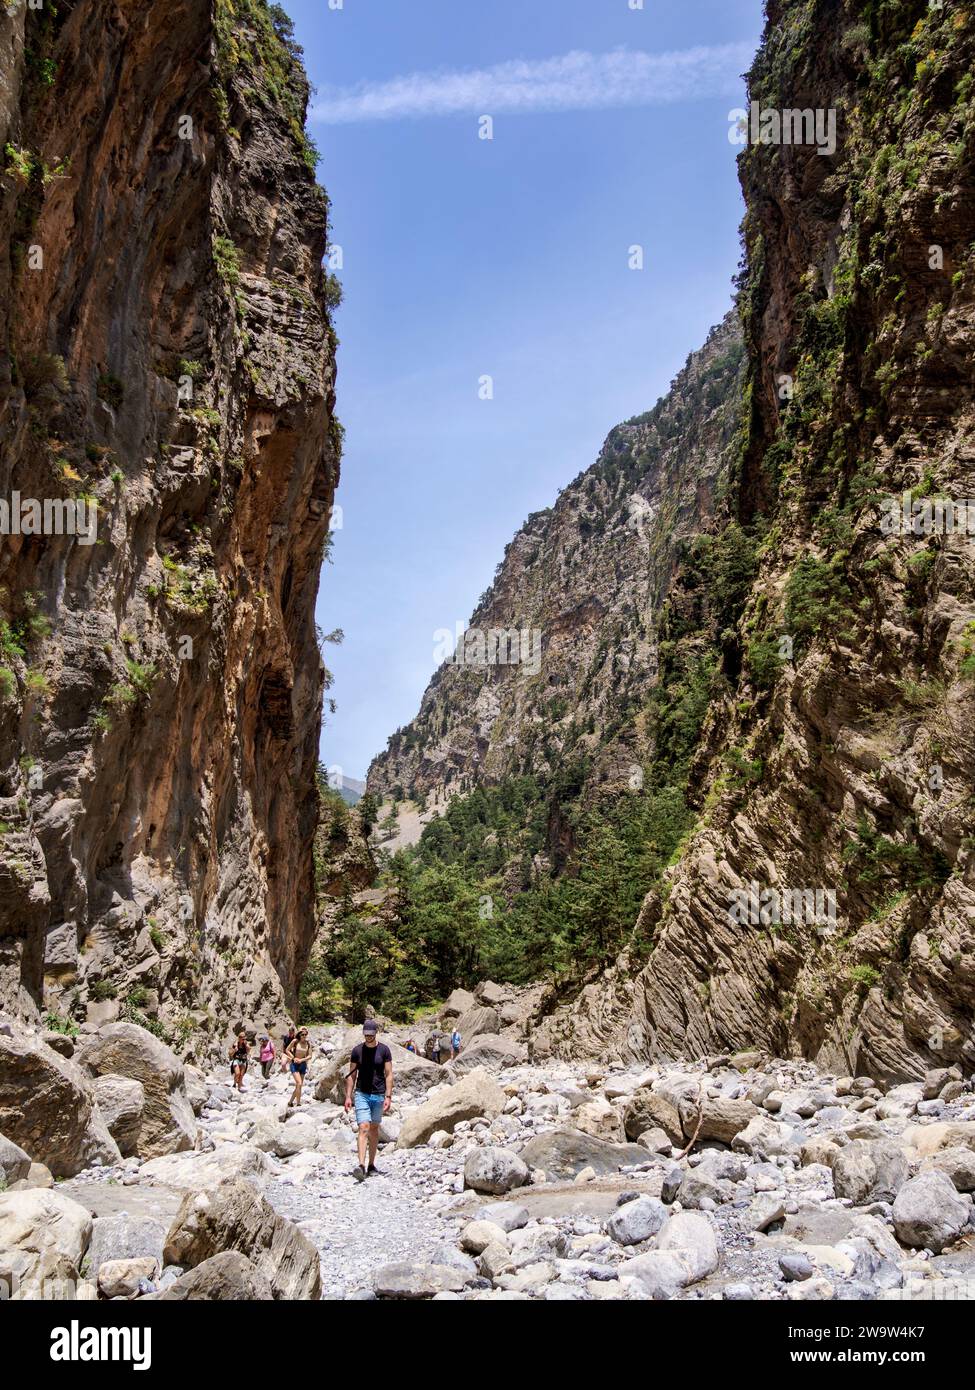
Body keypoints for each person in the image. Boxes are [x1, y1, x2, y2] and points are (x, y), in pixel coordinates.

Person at [344, 1019, 393, 1182]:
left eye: (371, 1035)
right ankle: (361, 1165)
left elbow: (389, 1074)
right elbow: (352, 1075)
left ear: (375, 1033)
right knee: (363, 1127)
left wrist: (388, 1096)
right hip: (362, 1094)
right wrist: (348, 1096)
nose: (368, 1037)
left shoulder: (384, 1050)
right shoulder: (357, 1051)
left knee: (373, 1129)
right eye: (366, 1035)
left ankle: (371, 1164)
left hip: (378, 1094)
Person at [285, 1027, 312, 1107]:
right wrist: (293, 1058)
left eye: (305, 1034)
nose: (304, 1036)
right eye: (302, 1034)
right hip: (294, 1064)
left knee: (298, 1085)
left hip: (303, 1065)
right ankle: (298, 1103)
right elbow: (287, 1050)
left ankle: (290, 1102)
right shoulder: (295, 1041)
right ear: (299, 1034)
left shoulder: (308, 1043)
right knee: (299, 1083)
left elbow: (310, 1056)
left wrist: (302, 1060)